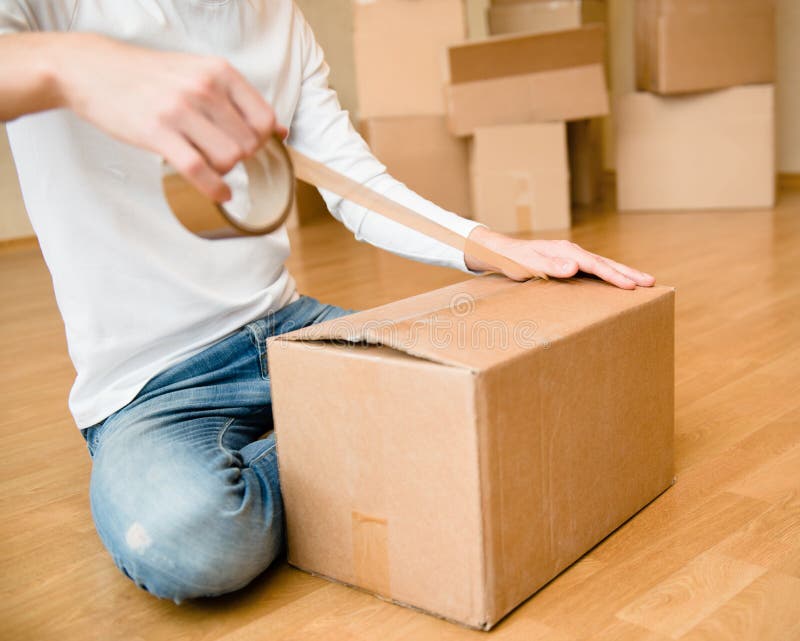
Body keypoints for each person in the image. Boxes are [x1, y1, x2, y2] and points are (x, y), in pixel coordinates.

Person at [0, 0, 655, 604]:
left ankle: (363, 430)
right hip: (151, 387)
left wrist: (495, 245)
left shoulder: (279, 17)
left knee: (507, 381)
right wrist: (72, 65)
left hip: (287, 330)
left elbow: (354, 183)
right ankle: (384, 434)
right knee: (196, 534)